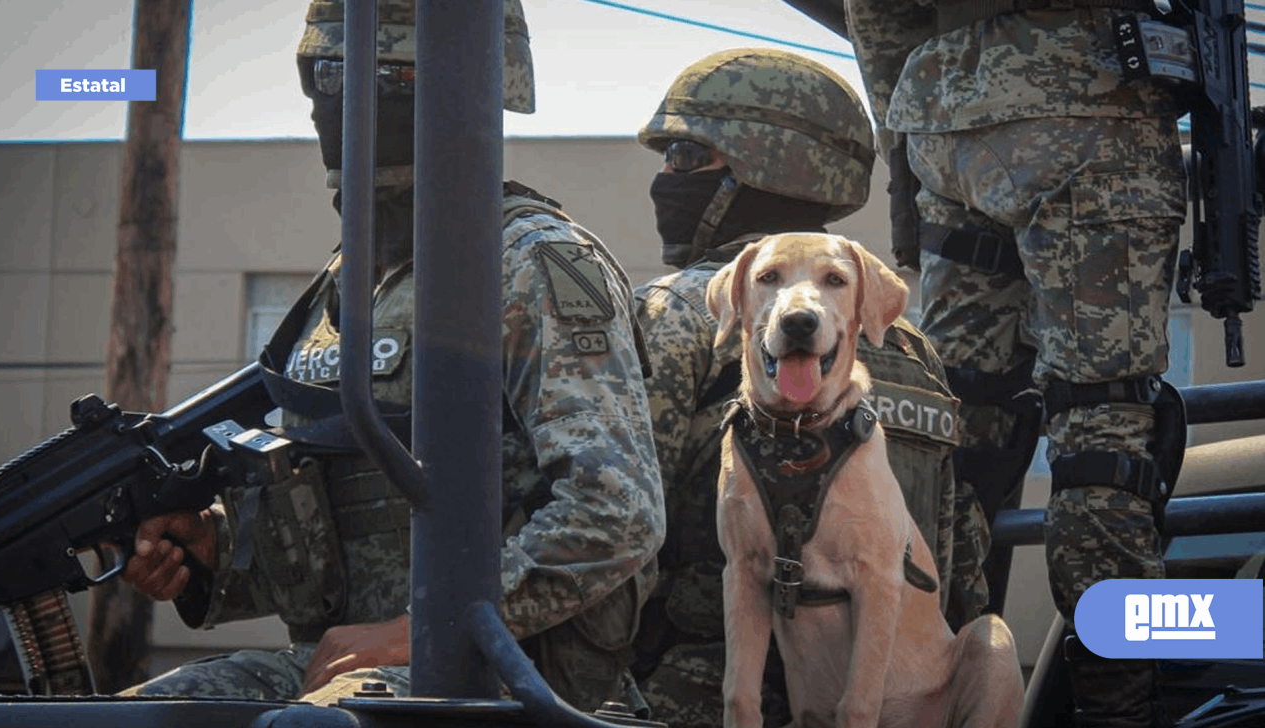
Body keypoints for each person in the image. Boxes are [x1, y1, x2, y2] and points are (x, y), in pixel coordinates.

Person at [118, 0, 664, 711]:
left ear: (432, 87)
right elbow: (351, 527)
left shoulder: (532, 261)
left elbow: (617, 510)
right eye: (318, 76)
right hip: (343, 662)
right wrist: (213, 550)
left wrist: (421, 630)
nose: (325, 102)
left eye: (350, 76)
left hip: (509, 671)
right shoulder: (350, 278)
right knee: (125, 716)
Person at [844, 2, 1188, 726]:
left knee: (956, 428)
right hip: (1091, 99)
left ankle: (930, 696)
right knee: (1103, 433)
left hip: (945, 118)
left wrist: (904, 143)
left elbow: (875, 12)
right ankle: (1119, 711)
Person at [627, 47, 989, 728]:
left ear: (765, 161)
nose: (665, 181)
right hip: (900, 693)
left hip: (694, 691)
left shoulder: (676, 311)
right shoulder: (908, 343)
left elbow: (617, 526)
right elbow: (958, 550)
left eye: (684, 157)